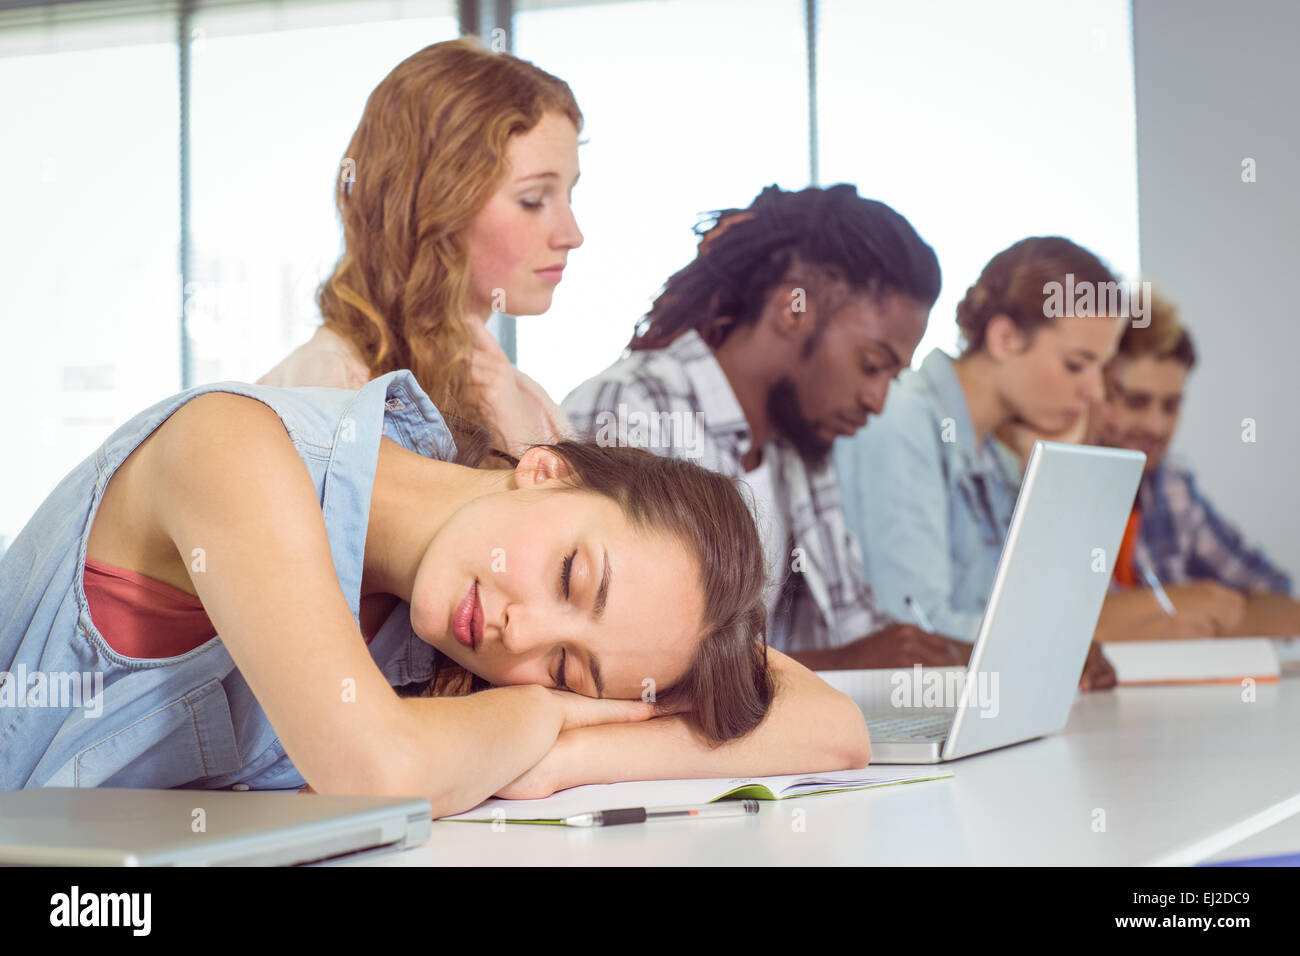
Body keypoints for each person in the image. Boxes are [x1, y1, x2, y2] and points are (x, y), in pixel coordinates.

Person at [0, 373, 873, 815]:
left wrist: (571, 759)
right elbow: (375, 769)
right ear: (544, 468)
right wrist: (538, 723)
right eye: (573, 575)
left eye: (568, 670)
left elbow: (833, 728)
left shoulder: (428, 626)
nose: (521, 636)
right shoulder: (232, 450)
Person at [564, 183, 973, 671]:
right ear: (792, 312)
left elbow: (861, 632)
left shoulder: (800, 449)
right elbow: (618, 662)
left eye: (893, 376)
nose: (877, 400)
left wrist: (979, 662)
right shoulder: (634, 409)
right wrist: (844, 663)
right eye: (870, 365)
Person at [257, 37, 580, 459]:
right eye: (533, 200)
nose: (571, 234)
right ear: (434, 203)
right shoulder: (317, 398)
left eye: (569, 195)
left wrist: (513, 425)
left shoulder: (527, 403)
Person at [834, 236, 1127, 688]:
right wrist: (1047, 648)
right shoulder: (902, 422)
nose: (1095, 392)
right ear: (1005, 337)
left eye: (1100, 368)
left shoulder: (993, 457)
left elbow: (1022, 608)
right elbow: (912, 630)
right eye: (1076, 365)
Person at [1083, 291, 1300, 639]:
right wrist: (1175, 604)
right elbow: (1056, 628)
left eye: (1171, 406)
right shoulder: (1052, 488)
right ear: (1096, 389)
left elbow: (1281, 601)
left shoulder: (1170, 485)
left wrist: (1197, 615)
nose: (1156, 426)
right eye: (1136, 402)